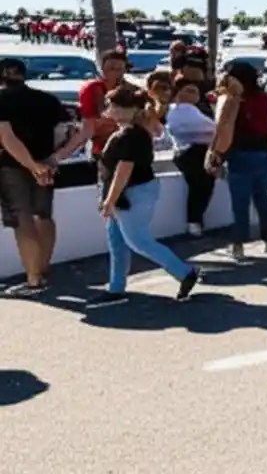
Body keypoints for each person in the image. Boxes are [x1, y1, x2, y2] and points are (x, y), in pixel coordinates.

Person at [90, 86, 200, 308]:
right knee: (117, 241)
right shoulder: (132, 131)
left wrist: (110, 200)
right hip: (128, 192)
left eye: (116, 106)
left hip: (132, 192)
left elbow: (124, 170)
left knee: (137, 240)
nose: (111, 109)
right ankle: (116, 286)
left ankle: (185, 272)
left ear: (130, 109)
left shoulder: (130, 135)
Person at [0, 58, 78, 294]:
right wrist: (52, 160)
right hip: (46, 164)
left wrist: (31, 165)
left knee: (22, 221)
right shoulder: (47, 99)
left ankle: (33, 279)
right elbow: (73, 132)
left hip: (12, 166)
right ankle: (42, 269)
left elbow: (7, 138)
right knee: (43, 216)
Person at [207, 64, 267, 260]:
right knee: (263, 198)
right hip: (264, 152)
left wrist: (215, 153)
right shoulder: (266, 99)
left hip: (240, 152)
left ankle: (238, 245)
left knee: (240, 202)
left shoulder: (232, 100)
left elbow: (223, 128)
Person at [167, 76, 217, 236]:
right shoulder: (177, 110)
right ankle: (194, 220)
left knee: (205, 186)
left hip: (200, 151)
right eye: (188, 90)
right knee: (199, 186)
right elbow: (207, 127)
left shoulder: (195, 110)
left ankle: (196, 219)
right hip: (189, 153)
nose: (193, 94)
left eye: (195, 91)